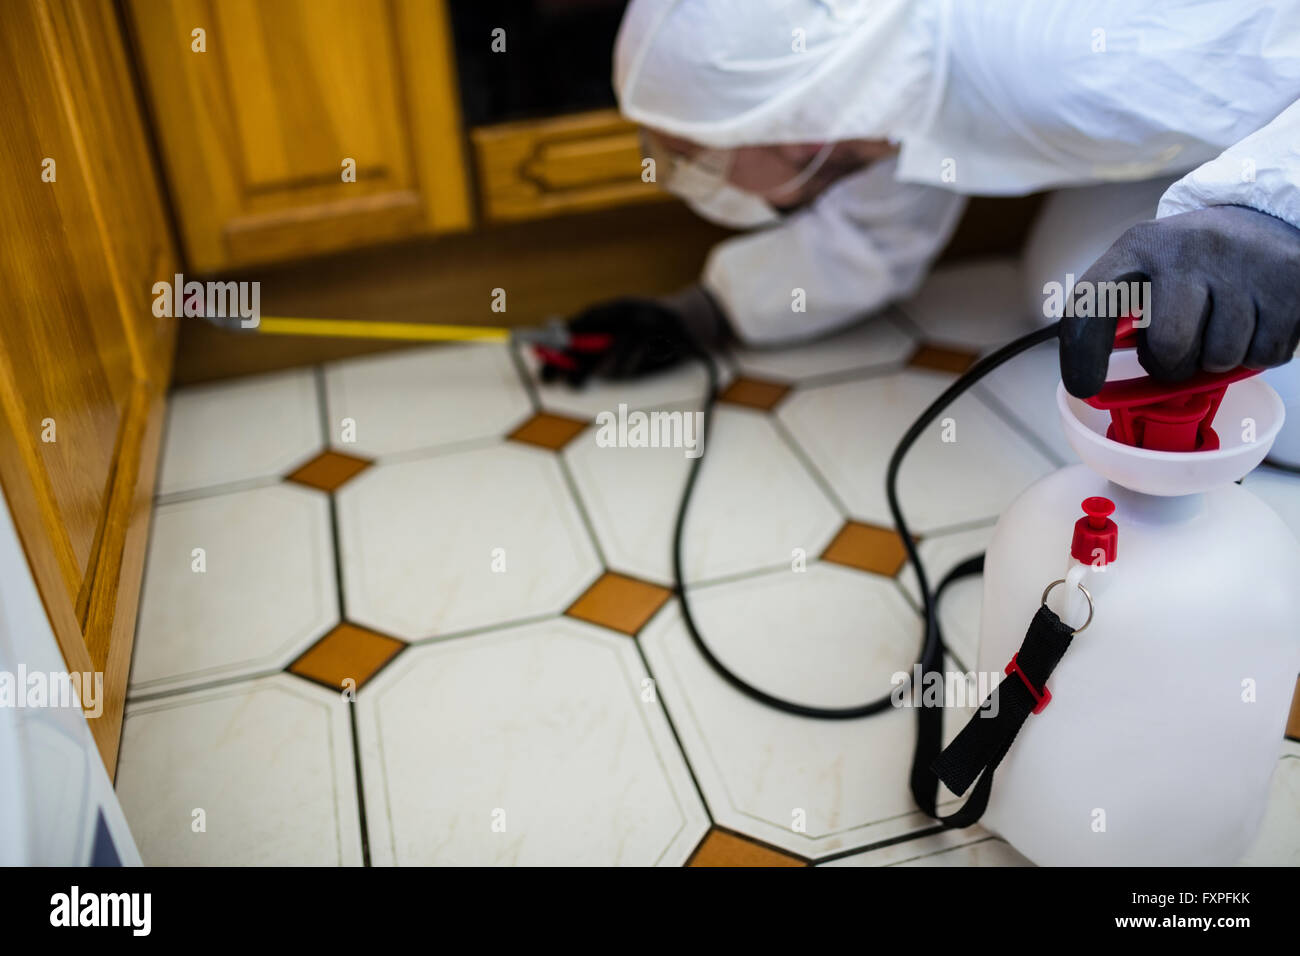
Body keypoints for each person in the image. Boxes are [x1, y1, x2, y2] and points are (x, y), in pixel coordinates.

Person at [537, 0, 1300, 399]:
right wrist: (705, 312)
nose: (689, 179)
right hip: (1203, 113)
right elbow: (877, 230)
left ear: (794, 133)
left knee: (1244, 382)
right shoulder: (885, 74)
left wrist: (1262, 213)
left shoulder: (1057, 71)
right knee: (1073, 293)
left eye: (691, 156)